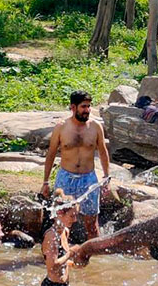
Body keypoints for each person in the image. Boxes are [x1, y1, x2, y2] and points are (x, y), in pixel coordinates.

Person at [41, 91, 110, 239]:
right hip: (66, 178)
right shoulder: (61, 127)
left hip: (89, 179)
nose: (87, 110)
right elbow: (51, 154)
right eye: (83, 107)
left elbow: (103, 152)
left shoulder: (95, 127)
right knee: (60, 223)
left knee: (92, 225)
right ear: (73, 107)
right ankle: (57, 257)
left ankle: (94, 258)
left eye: (89, 106)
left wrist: (106, 177)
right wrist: (45, 182)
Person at [38, 192, 78, 286]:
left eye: (76, 215)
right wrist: (70, 253)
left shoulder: (65, 231)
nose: (75, 220)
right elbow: (52, 266)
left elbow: (62, 259)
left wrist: (72, 263)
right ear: (60, 213)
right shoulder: (52, 236)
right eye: (72, 216)